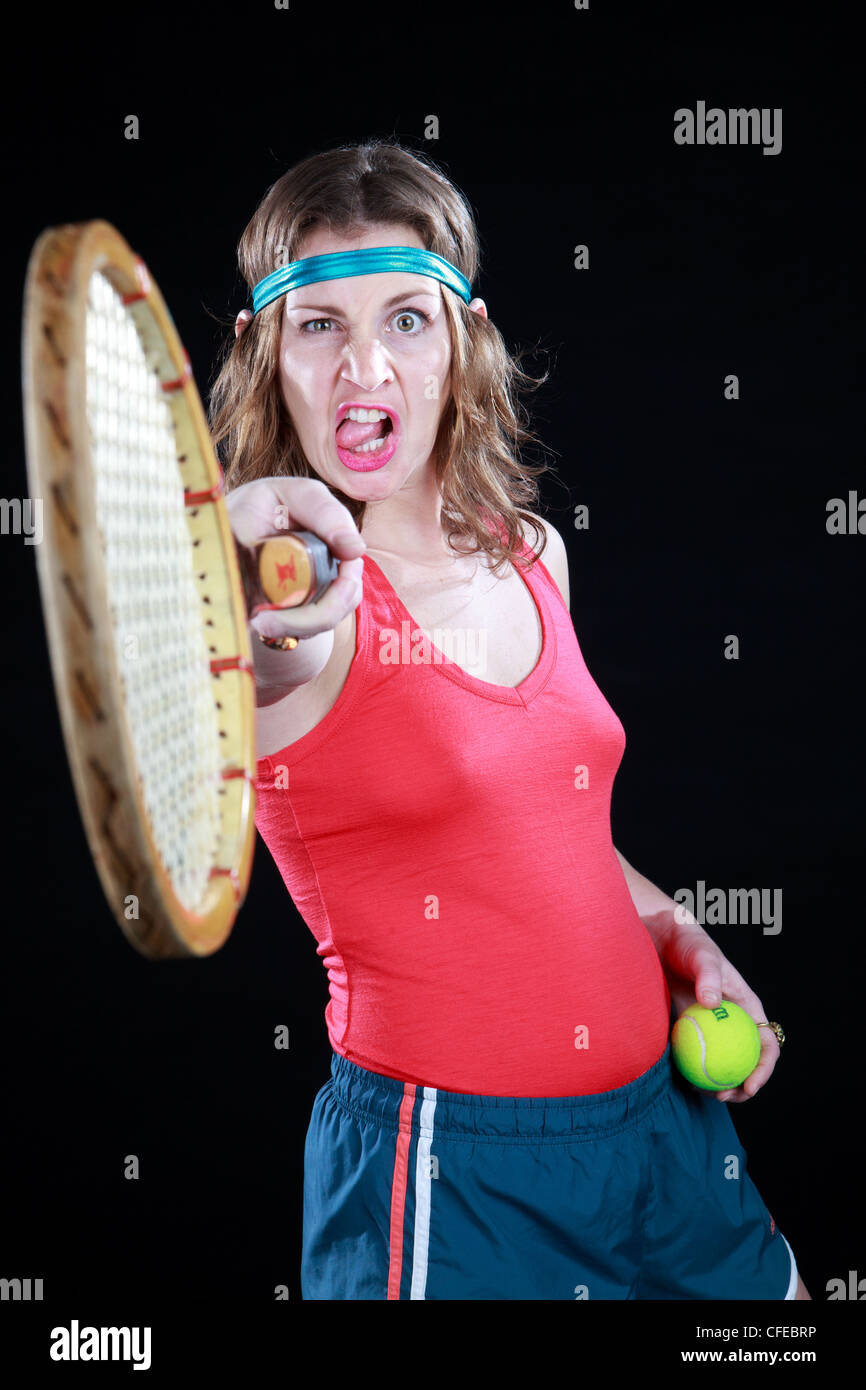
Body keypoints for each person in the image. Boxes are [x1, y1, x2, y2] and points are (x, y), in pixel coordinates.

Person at [211, 139, 809, 1301]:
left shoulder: (532, 555)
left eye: (405, 319)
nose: (364, 365)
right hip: (456, 1178)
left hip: (662, 1129)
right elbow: (239, 647)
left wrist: (682, 935)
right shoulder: (300, 611)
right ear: (265, 352)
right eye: (319, 325)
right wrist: (226, 568)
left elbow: (561, 831)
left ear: (463, 338)